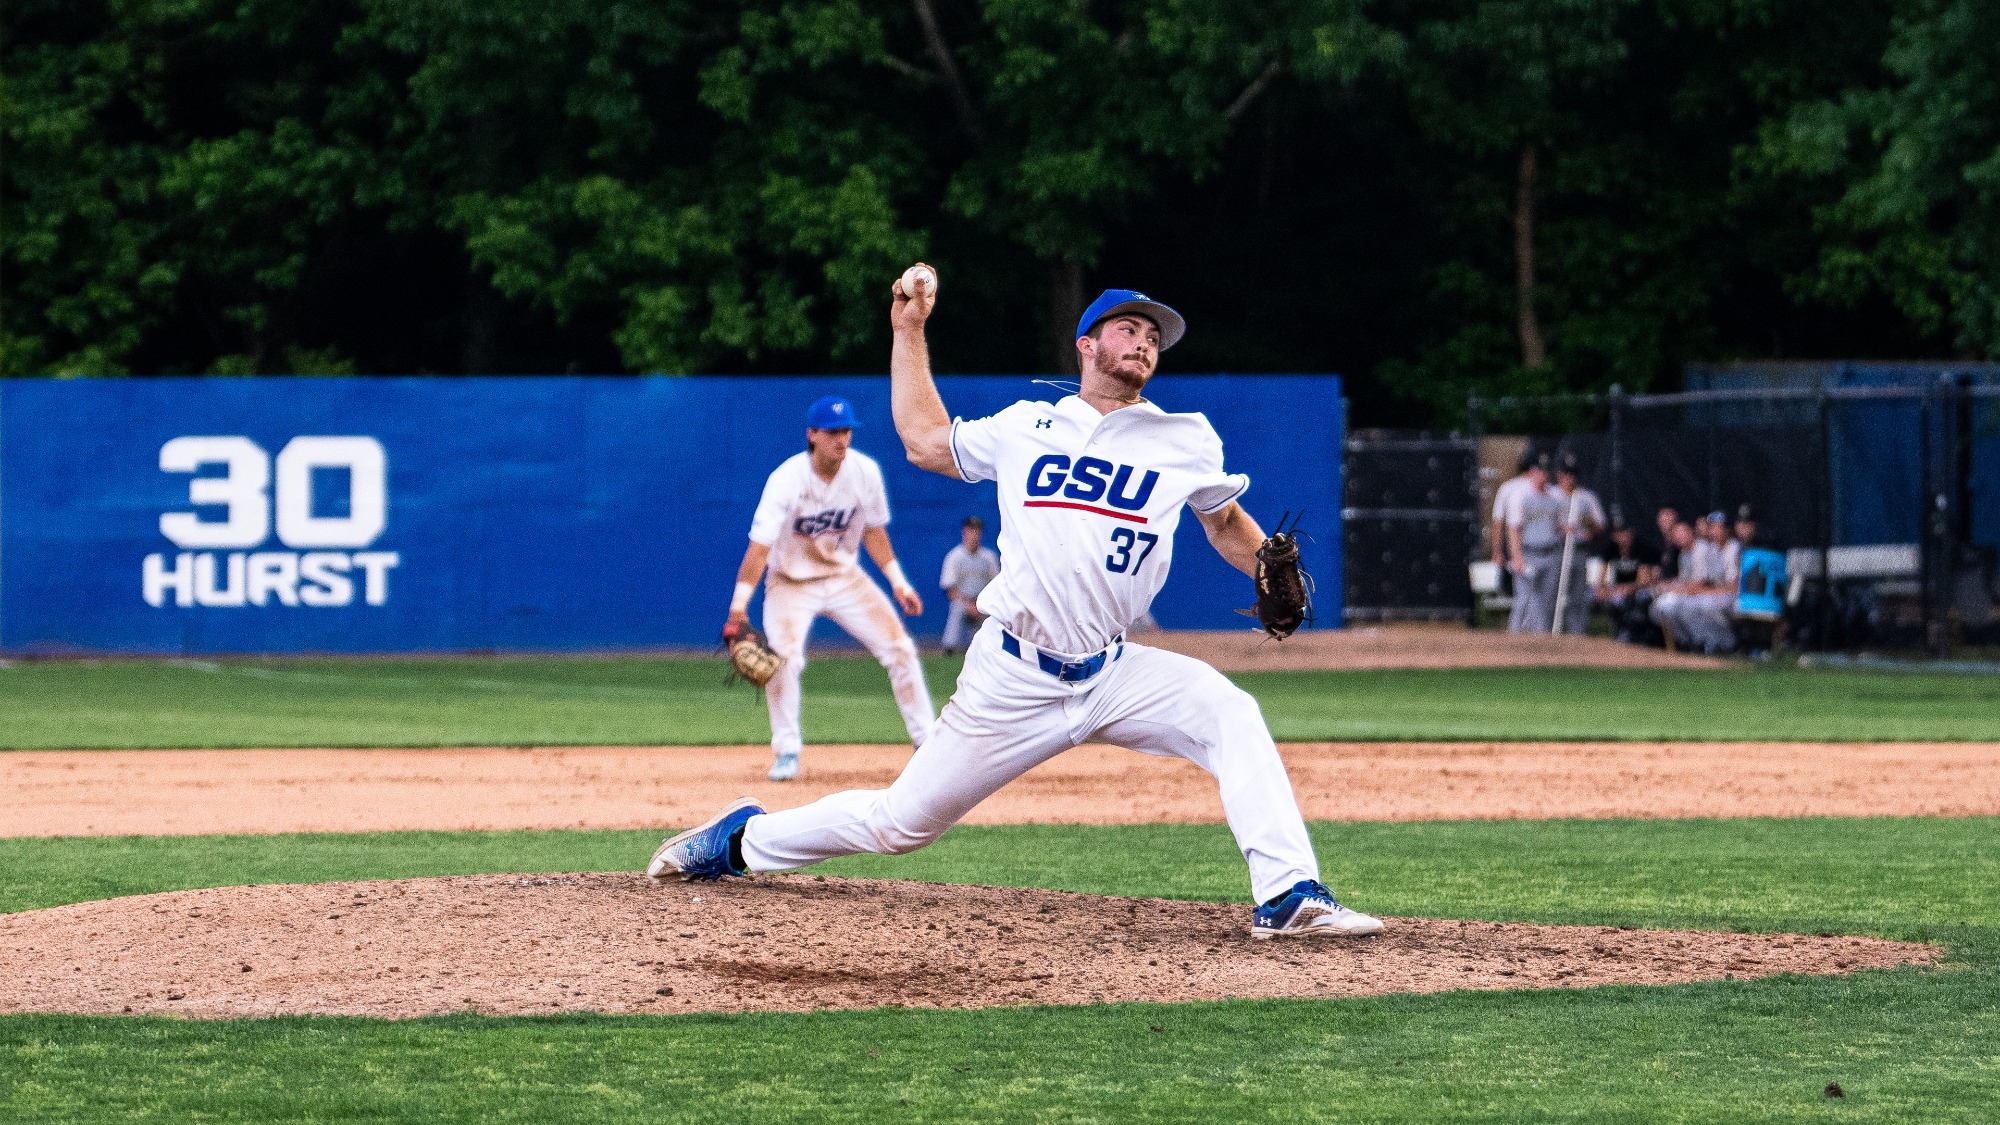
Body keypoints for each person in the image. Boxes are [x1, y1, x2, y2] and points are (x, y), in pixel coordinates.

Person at [651, 269, 1385, 939]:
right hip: (1012, 675)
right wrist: (908, 330)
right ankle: (744, 839)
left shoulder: (1183, 437)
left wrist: (1266, 563)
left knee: (1230, 712)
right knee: (900, 823)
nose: (1144, 342)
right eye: (1129, 328)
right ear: (1086, 344)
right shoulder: (1028, 425)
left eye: (1154, 336)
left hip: (1113, 671)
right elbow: (924, 440)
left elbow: (1223, 522)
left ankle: (1287, 894)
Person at [725, 395, 936, 782]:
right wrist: (738, 608)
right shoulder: (786, 479)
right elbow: (760, 547)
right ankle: (786, 751)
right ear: (812, 435)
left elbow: (874, 532)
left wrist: (899, 583)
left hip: (844, 578)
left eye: (846, 431)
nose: (842, 439)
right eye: (833, 431)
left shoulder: (864, 472)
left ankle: (928, 745)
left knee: (901, 649)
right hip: (790, 583)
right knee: (784, 658)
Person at [1651, 511, 1741, 653]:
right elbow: (1702, 582)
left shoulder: (1733, 547)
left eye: (1718, 527)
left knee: (1693, 606)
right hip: (1714, 592)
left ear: (1727, 529)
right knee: (1665, 607)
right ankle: (1695, 643)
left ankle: (1725, 644)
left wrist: (1693, 590)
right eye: (1711, 527)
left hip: (1733, 595)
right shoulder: (1710, 548)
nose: (1714, 531)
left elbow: (1730, 585)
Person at [1503, 454, 1567, 633]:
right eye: (1539, 471)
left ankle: (1541, 637)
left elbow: (1559, 526)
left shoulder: (1555, 496)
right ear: (1532, 472)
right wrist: (1516, 556)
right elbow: (1513, 529)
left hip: (1550, 552)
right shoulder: (1521, 495)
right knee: (1524, 597)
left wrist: (1568, 528)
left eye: (1546, 471)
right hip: (1528, 553)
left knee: (1546, 599)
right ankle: (1514, 634)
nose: (1543, 475)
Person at [1551, 452, 1607, 634]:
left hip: (1578, 549)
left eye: (1573, 474)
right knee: (1553, 593)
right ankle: (1548, 632)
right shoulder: (1552, 494)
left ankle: (1577, 634)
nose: (1570, 477)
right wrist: (1561, 528)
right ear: (1559, 474)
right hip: (1557, 549)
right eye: (1566, 473)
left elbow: (1600, 524)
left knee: (1577, 595)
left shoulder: (1585, 497)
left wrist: (1585, 524)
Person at [1592, 511, 1661, 642]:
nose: (1622, 536)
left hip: (1641, 588)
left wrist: (1625, 589)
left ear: (1630, 532)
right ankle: (1616, 631)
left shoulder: (1642, 547)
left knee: (1636, 599)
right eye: (1618, 533)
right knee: (1598, 596)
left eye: (1624, 532)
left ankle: (1635, 634)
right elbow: (1602, 576)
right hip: (1619, 588)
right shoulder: (1611, 548)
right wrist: (1602, 588)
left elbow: (1644, 580)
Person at [938, 516, 1000, 654]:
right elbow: (950, 589)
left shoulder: (989, 557)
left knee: (994, 613)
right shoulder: (954, 556)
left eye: (977, 530)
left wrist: (980, 604)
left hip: (983, 602)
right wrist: (969, 605)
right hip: (962, 601)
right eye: (971, 530)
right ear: (964, 531)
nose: (974, 534)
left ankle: (992, 649)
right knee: (956, 608)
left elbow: (996, 586)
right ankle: (949, 648)